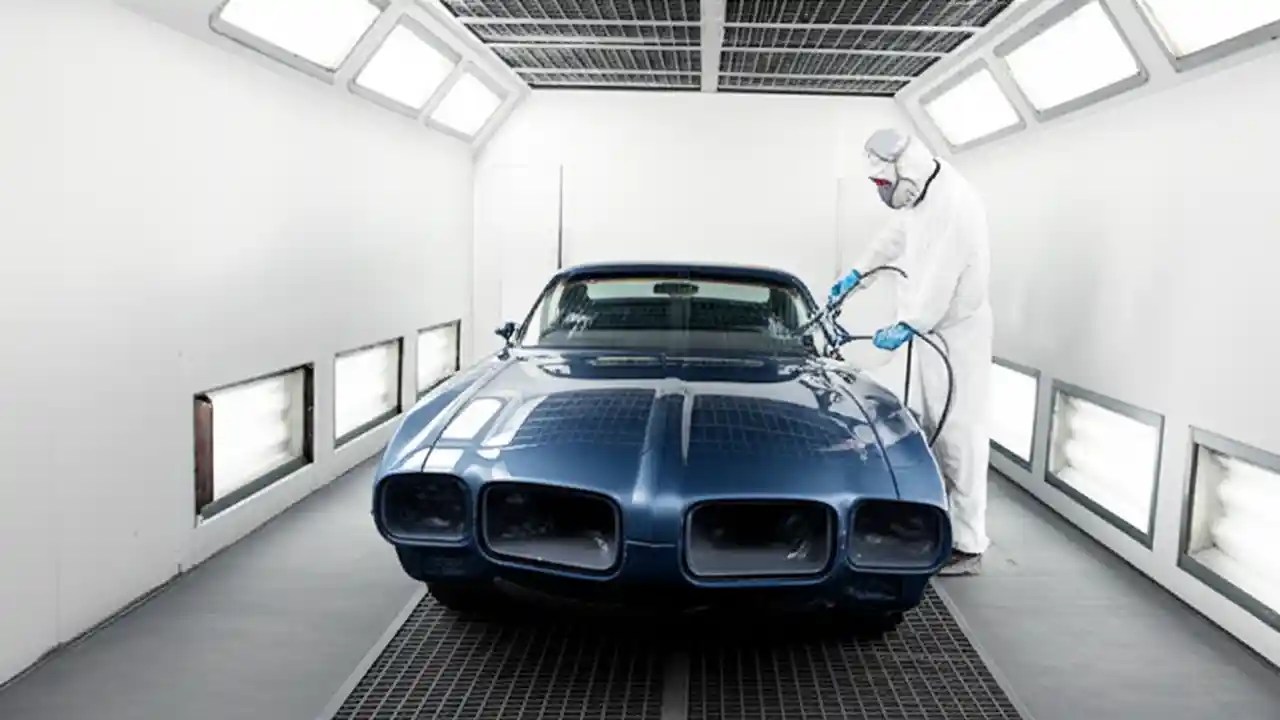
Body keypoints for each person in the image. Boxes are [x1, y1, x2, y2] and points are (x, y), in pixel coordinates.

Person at [831, 128, 993, 576]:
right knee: (922, 426)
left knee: (958, 432)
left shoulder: (955, 203)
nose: (884, 193)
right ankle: (931, 524)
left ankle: (968, 542)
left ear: (906, 170)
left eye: (884, 185)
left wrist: (909, 322)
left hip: (957, 336)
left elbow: (943, 274)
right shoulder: (920, 199)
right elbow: (891, 240)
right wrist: (855, 276)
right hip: (928, 331)